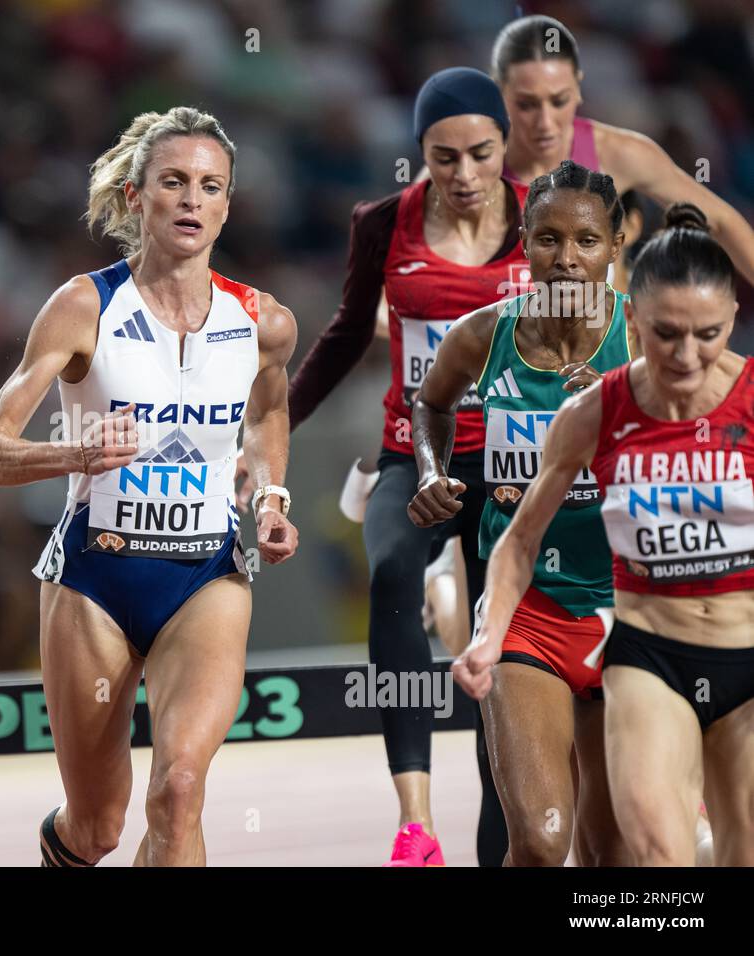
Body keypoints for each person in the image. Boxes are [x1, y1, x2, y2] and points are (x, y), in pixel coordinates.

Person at [0, 106, 299, 867]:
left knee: (180, 791)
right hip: (95, 579)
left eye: (209, 186)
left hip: (206, 576)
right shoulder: (84, 306)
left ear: (227, 205)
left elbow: (270, 408)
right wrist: (74, 454)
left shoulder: (264, 322)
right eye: (173, 182)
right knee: (98, 829)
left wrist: (271, 495)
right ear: (134, 199)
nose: (191, 200)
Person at [252, 67, 528, 866]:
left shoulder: (542, 224)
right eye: (444, 158)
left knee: (498, 650)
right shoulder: (384, 223)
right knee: (390, 572)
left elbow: (586, 333)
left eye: (480, 153)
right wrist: (271, 428)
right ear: (420, 155)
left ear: (505, 146)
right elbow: (343, 335)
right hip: (414, 454)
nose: (465, 175)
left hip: (514, 463)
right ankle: (416, 826)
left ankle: (499, 839)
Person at [456, 203, 754, 866]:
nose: (685, 355)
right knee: (647, 854)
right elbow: (520, 540)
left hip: (739, 650)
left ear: (733, 317)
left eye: (707, 334)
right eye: (665, 333)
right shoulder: (593, 409)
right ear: (632, 317)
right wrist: (485, 634)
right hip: (641, 652)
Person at [408, 160, 632, 865]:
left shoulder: (652, 342)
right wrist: (431, 470)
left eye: (587, 242)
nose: (566, 259)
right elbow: (429, 403)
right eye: (548, 239)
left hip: (630, 617)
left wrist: (621, 403)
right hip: (525, 612)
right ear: (523, 243)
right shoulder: (483, 335)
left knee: (616, 857)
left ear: (614, 246)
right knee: (539, 839)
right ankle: (450, 586)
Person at [492, 14, 754, 286]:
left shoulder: (617, 153)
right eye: (527, 105)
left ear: (578, 90)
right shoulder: (468, 162)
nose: (545, 122)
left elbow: (722, 221)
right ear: (500, 96)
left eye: (559, 101)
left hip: (605, 326)